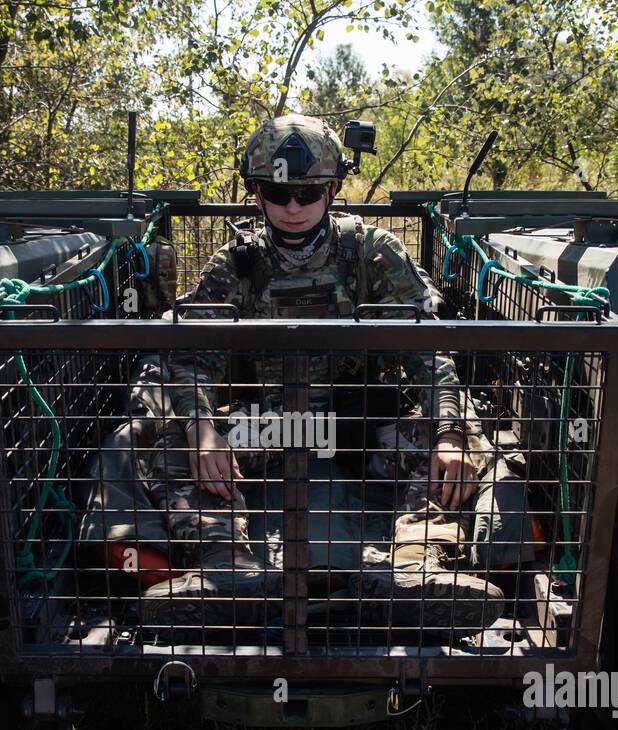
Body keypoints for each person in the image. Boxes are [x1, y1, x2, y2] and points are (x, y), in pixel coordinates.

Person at [84, 114, 531, 643]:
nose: (293, 208)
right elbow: (191, 356)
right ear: (256, 194)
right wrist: (202, 428)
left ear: (333, 189)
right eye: (277, 192)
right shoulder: (237, 265)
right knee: (163, 448)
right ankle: (229, 574)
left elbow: (427, 354)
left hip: (362, 430)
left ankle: (415, 571)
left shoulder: (372, 253)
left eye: (308, 193)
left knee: (464, 447)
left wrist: (451, 433)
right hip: (273, 429)